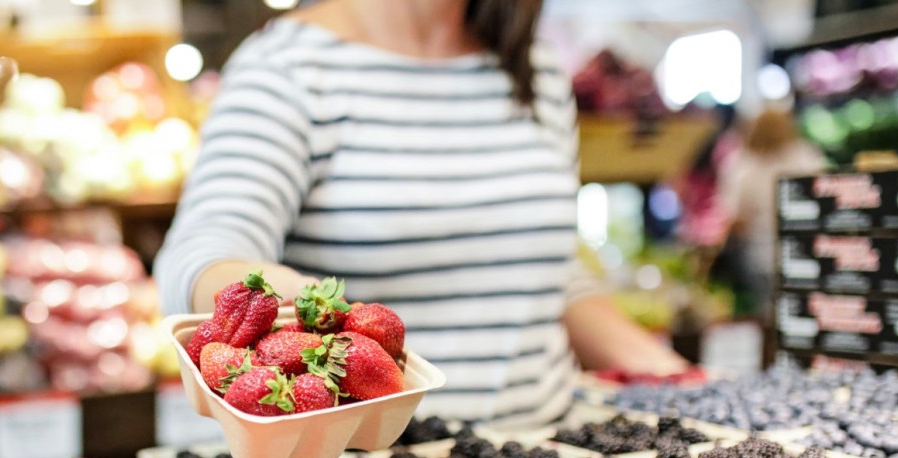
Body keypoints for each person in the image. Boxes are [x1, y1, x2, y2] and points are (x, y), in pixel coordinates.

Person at [154, 0, 686, 425]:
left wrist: (668, 377)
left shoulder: (534, 70)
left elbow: (538, 269)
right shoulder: (290, 68)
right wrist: (303, 311)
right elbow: (202, 253)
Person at [718, 108, 826, 317]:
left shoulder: (743, 167)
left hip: (760, 256)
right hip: (805, 252)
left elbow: (736, 219)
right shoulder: (807, 157)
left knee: (768, 314)